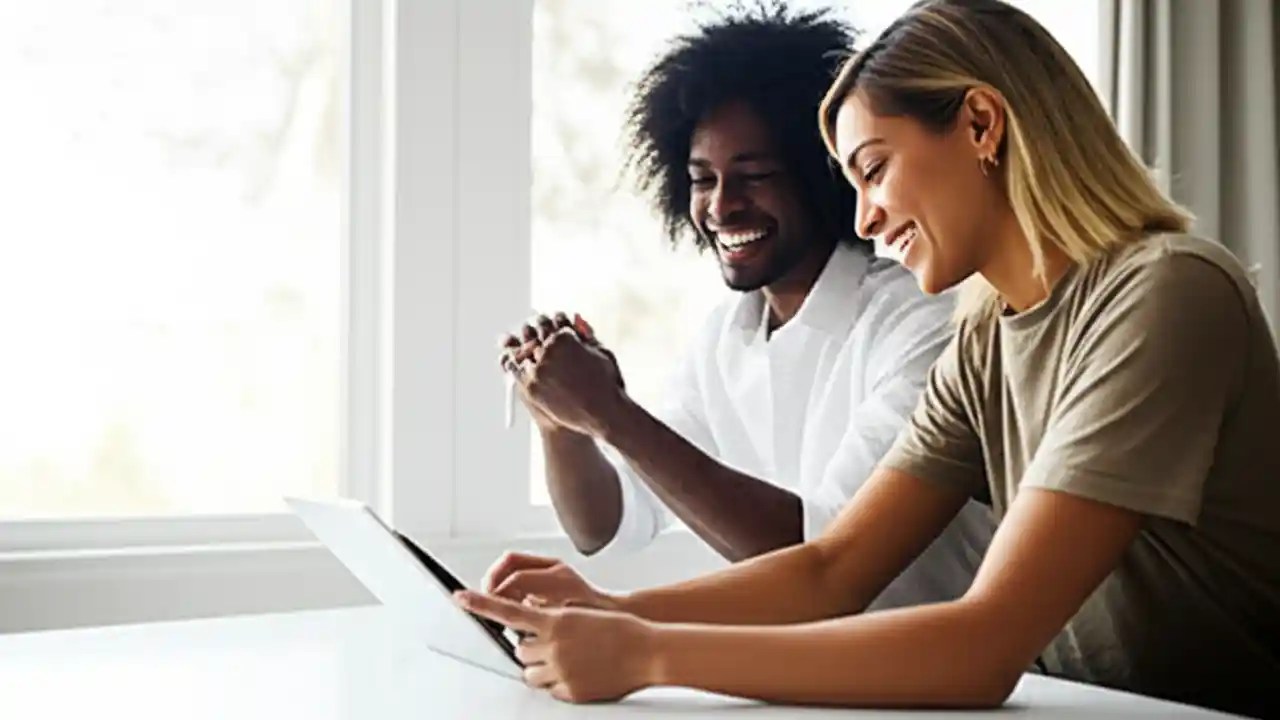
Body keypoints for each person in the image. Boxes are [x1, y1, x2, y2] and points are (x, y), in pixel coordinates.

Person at [465, 1, 1280, 715]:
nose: (865, 217)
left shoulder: (1165, 294)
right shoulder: (985, 332)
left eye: (875, 169)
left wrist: (647, 653)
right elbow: (830, 569)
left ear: (982, 126)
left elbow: (986, 643)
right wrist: (617, 614)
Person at [498, 4, 992, 610]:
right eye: (703, 180)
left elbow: (821, 558)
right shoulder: (725, 338)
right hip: (799, 685)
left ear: (823, 176)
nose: (722, 207)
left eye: (753, 174)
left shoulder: (919, 323)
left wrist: (610, 411)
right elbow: (606, 527)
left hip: (932, 687)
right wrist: (563, 425)